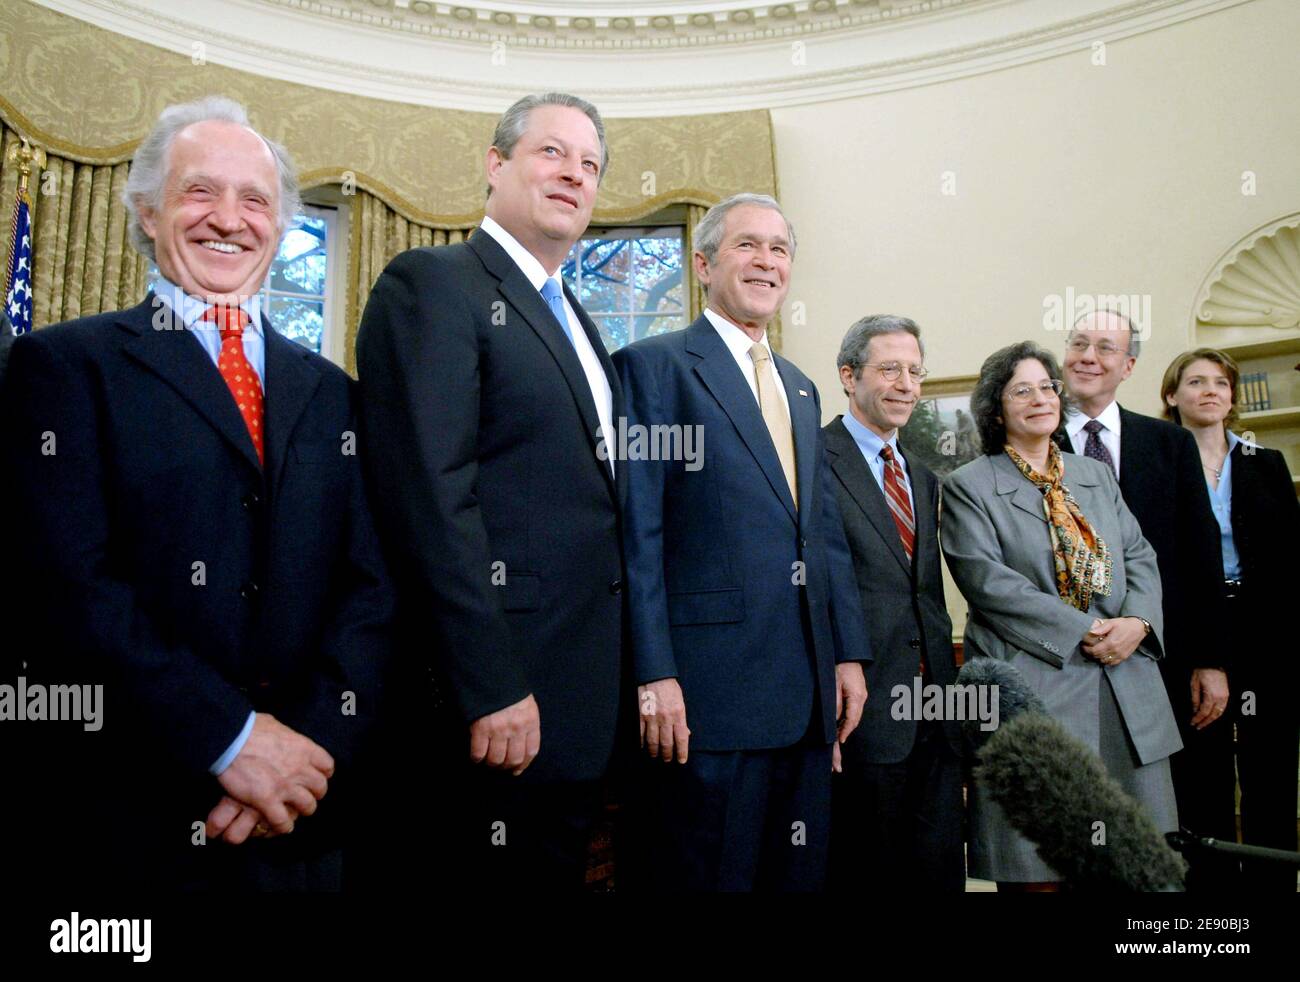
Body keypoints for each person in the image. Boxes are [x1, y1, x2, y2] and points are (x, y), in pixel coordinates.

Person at [1, 97, 392, 890]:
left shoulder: (337, 393)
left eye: (255, 200)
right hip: (128, 820)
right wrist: (228, 739)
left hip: (302, 822)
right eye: (199, 192)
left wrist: (302, 754)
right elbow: (66, 589)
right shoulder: (61, 368)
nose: (229, 219)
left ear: (281, 226)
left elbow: (372, 594)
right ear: (147, 213)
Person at [356, 92, 625, 891]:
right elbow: (430, 499)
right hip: (494, 705)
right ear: (496, 163)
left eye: (590, 165)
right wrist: (491, 683)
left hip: (583, 704)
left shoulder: (579, 316)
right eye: (552, 153)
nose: (574, 175)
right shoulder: (433, 285)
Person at [613, 193, 870, 892]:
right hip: (706, 698)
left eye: (780, 249)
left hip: (809, 697)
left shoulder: (804, 388)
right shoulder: (652, 367)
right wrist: (653, 673)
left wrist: (847, 653)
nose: (766, 262)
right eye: (747, 246)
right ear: (702, 264)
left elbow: (823, 536)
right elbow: (639, 530)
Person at [942, 341, 1180, 889]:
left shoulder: (1093, 475)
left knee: (1135, 864)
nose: (1040, 398)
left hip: (1125, 683)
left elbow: (1140, 554)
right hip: (1038, 688)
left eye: (1047, 386)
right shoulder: (969, 486)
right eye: (1021, 390)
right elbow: (989, 583)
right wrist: (1089, 630)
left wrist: (1138, 624)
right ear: (995, 408)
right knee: (1038, 869)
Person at [1059, 310, 1234, 888]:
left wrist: (1210, 658)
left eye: (1105, 347)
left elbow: (1201, 553)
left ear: (1128, 365)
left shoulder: (1170, 443)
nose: (1088, 355)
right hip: (1072, 661)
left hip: (1168, 657)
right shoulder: (1031, 436)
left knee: (1187, 810)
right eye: (1079, 342)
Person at [823, 314, 964, 892]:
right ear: (849, 375)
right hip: (862, 704)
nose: (906, 384)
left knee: (935, 872)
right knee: (868, 871)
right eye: (889, 370)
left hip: (934, 706)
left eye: (914, 371)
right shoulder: (811, 459)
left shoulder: (923, 476)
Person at [1161, 347, 1300, 891]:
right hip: (1194, 628)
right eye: (1195, 382)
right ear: (1173, 396)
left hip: (1266, 633)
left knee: (1270, 772)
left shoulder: (1264, 461)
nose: (1211, 391)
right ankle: (1214, 906)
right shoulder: (1162, 463)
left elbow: (1290, 556)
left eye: (1221, 382)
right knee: (1203, 771)